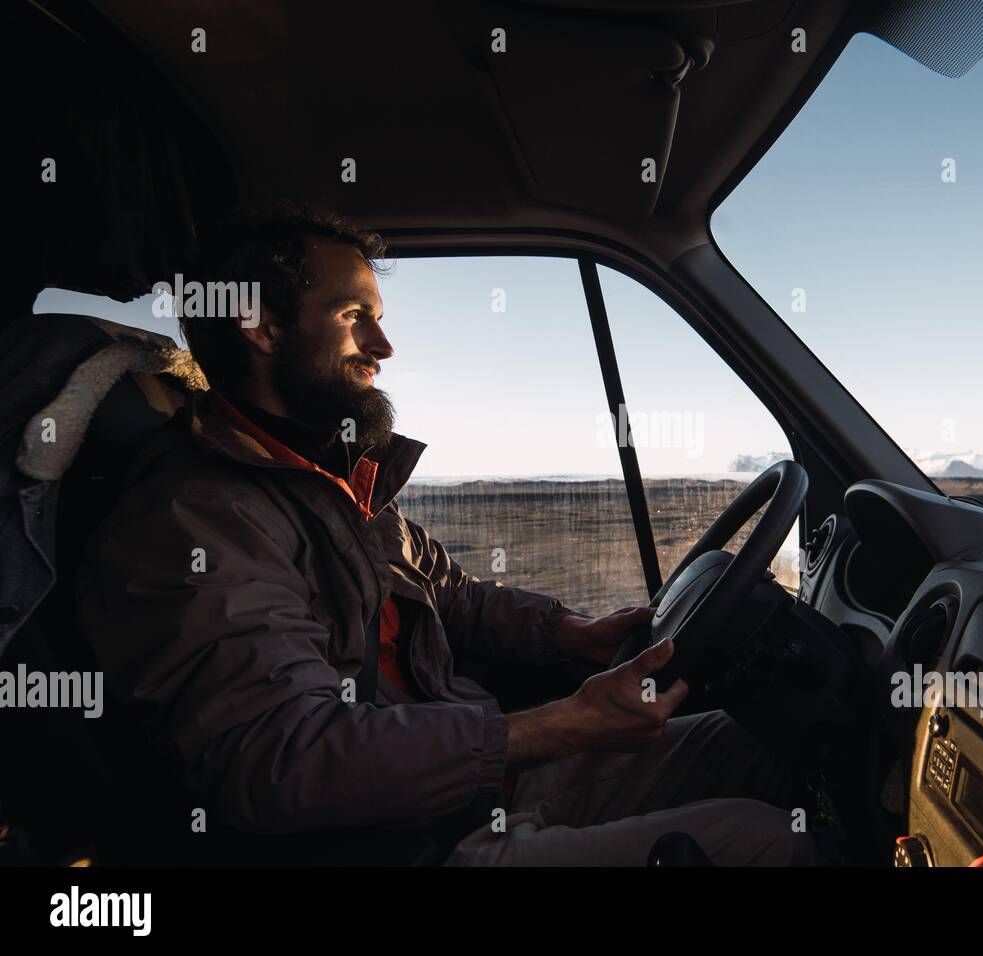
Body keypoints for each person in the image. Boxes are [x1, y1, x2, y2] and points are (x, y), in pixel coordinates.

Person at [75, 204, 814, 866]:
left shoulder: (330, 477)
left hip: (465, 784)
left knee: (763, 745)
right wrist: (556, 725)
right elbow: (281, 759)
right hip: (397, 842)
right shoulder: (194, 520)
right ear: (262, 327)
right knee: (768, 842)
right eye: (353, 315)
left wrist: (571, 635)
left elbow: (453, 596)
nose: (383, 344)